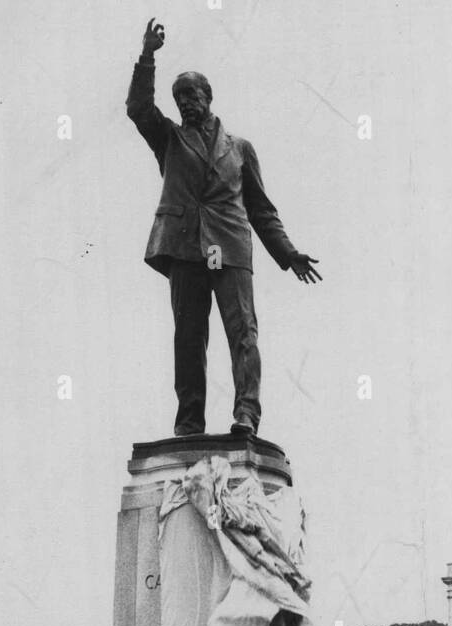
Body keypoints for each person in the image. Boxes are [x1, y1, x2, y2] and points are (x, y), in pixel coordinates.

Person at [127, 17, 321, 438]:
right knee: (189, 339)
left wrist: (287, 253)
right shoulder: (170, 140)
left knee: (243, 332)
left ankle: (246, 415)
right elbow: (138, 109)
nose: (185, 103)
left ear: (208, 96)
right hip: (184, 248)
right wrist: (147, 57)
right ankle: (189, 422)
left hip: (230, 248)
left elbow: (261, 209)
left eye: (191, 94)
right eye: (179, 98)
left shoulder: (241, 149)